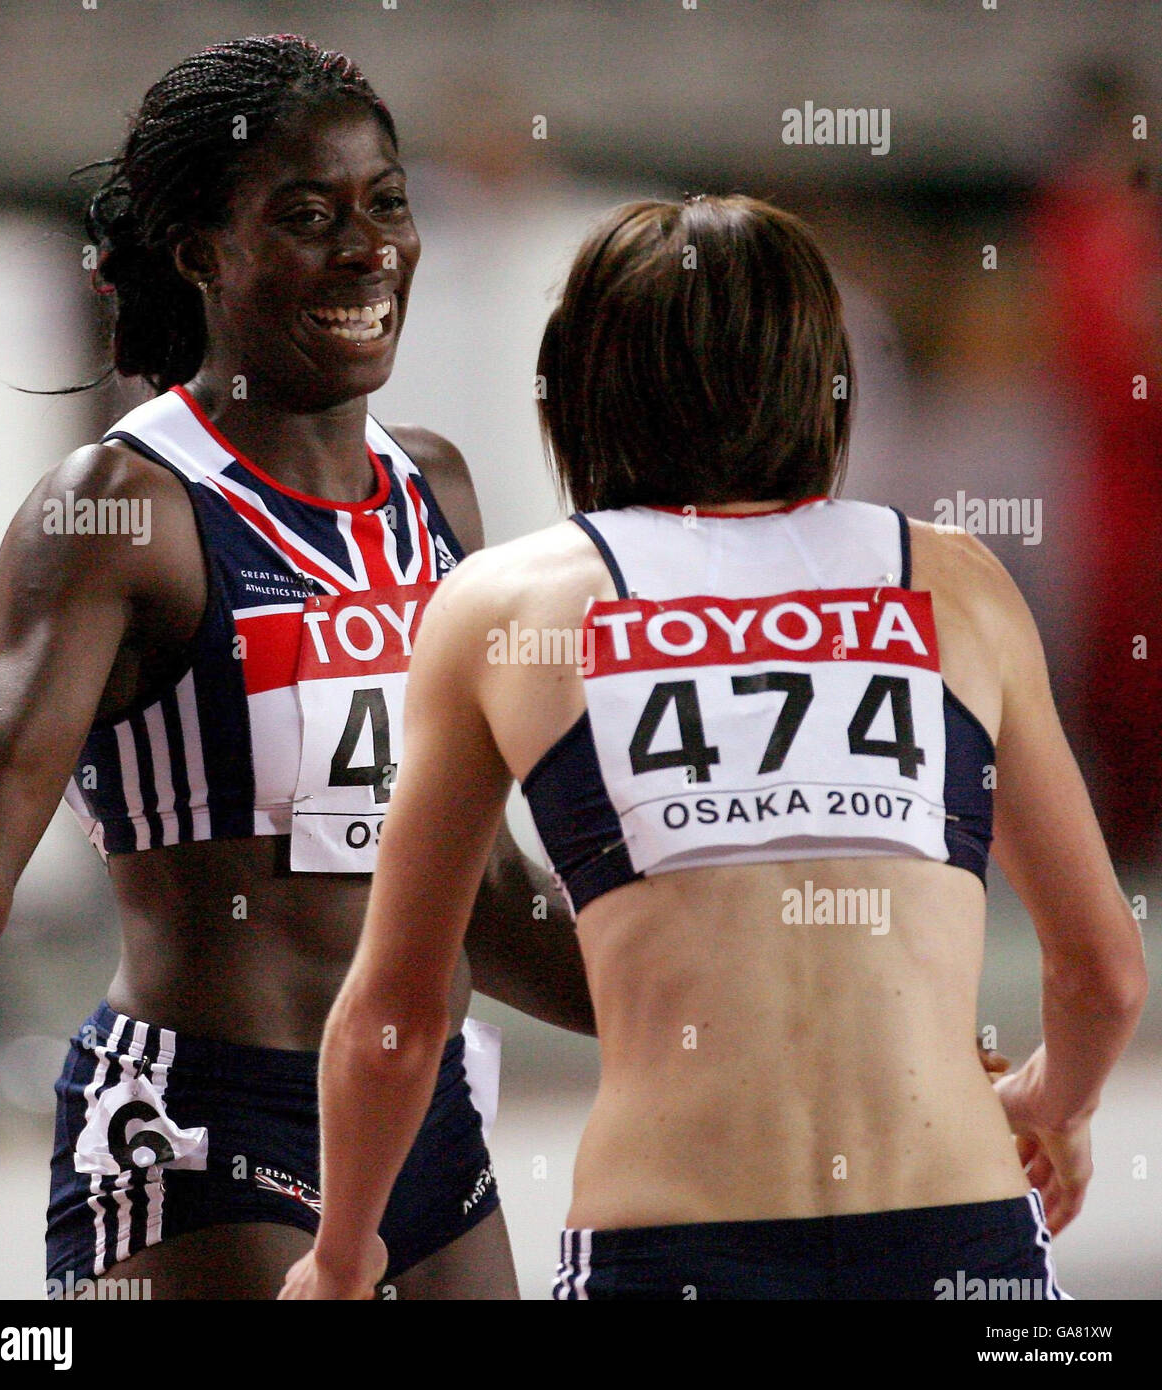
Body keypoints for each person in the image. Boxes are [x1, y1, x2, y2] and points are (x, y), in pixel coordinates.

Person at [282, 195, 1147, 1300]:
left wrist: (343, 1254)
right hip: (958, 1236)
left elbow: (396, 1016)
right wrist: (1051, 1104)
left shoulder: (503, 606)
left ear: (580, 391)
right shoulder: (955, 584)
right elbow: (1104, 973)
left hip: (671, 1246)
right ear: (818, 379)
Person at [0, 35, 591, 1300]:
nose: (367, 249)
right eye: (306, 215)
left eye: (385, 203)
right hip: (209, 1134)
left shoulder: (434, 490)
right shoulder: (119, 510)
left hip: (421, 1120)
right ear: (198, 253)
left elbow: (480, 887)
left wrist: (730, 999)